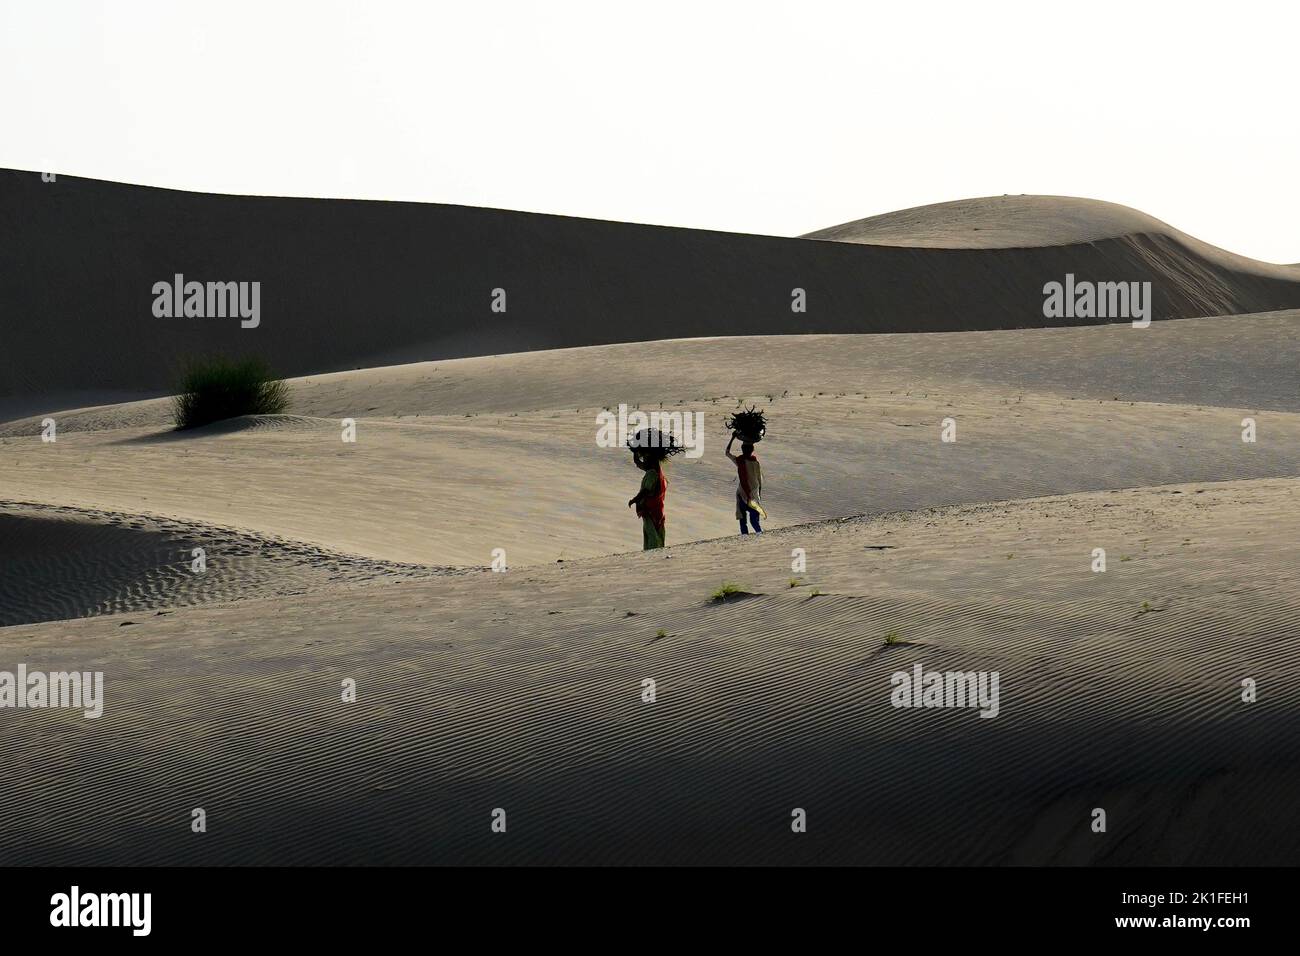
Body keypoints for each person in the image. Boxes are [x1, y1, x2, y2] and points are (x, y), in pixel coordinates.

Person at [628, 446, 669, 550]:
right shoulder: (659, 474)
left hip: (651, 509)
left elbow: (645, 491)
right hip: (657, 509)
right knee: (656, 532)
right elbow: (639, 464)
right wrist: (635, 452)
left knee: (651, 534)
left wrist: (634, 500)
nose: (644, 462)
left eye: (646, 459)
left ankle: (653, 553)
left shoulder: (652, 474)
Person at [725, 432, 765, 534]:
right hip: (754, 495)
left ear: (742, 450)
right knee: (754, 521)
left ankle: (745, 539)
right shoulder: (755, 463)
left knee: (743, 521)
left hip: (742, 494)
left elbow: (727, 452)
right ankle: (760, 536)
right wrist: (759, 495)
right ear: (752, 450)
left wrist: (732, 438)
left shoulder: (740, 461)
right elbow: (759, 480)